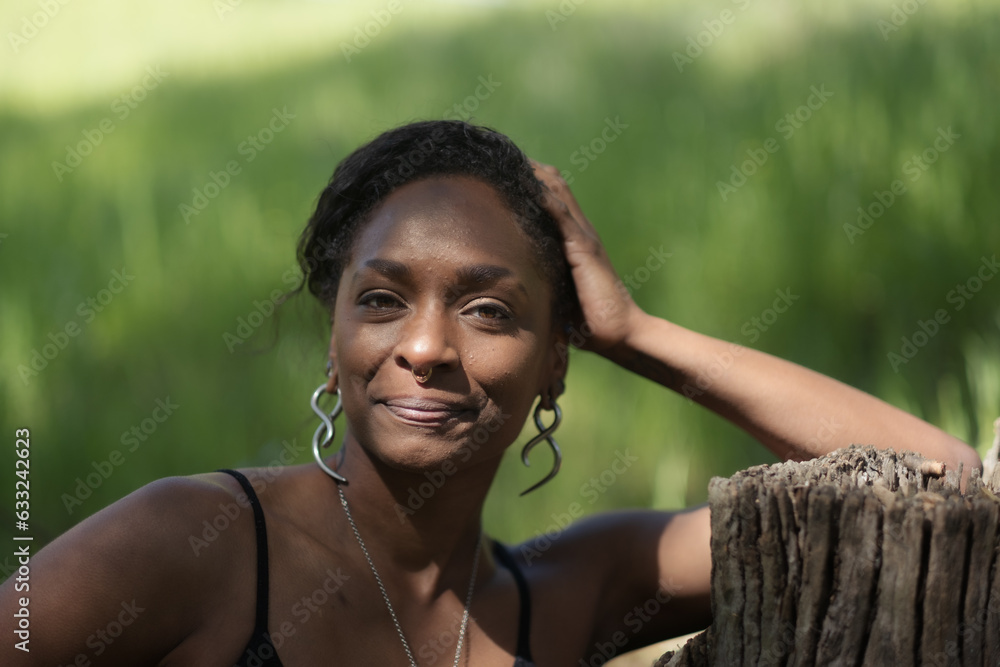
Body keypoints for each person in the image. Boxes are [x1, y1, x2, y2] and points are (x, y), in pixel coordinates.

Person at [0, 120, 980, 666]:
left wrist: (635, 335)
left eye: (488, 311)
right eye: (382, 300)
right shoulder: (199, 542)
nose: (424, 346)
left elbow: (936, 482)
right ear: (333, 335)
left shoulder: (571, 594)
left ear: (556, 358)